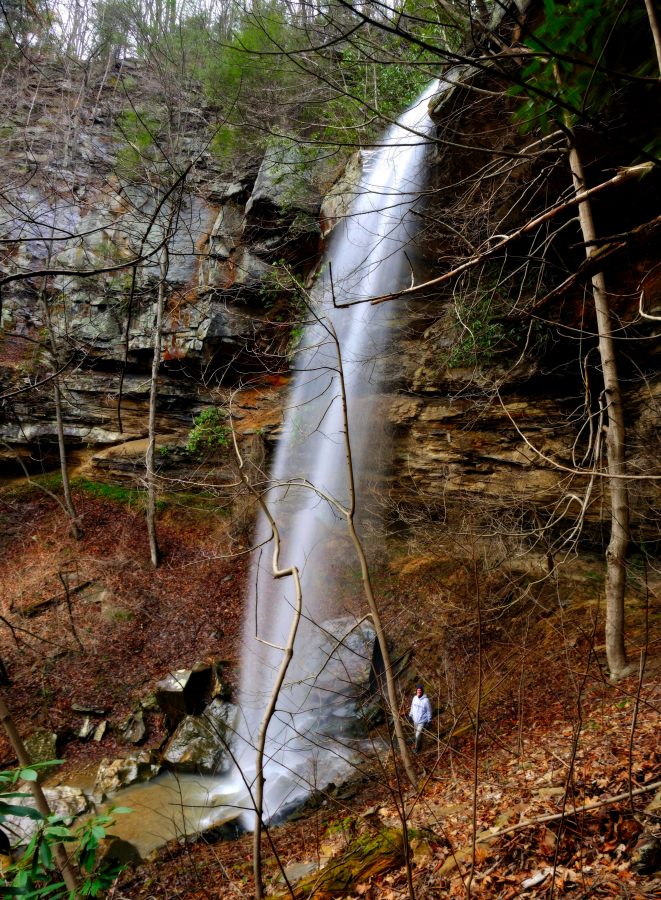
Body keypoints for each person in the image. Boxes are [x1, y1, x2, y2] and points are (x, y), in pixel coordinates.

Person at [409, 684, 432, 752]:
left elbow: (429, 711)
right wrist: (410, 715)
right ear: (416, 691)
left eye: (420, 690)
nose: (418, 692)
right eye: (417, 690)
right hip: (415, 720)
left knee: (418, 735)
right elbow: (412, 707)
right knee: (416, 734)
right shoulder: (414, 698)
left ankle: (417, 748)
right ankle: (420, 745)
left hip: (422, 721)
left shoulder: (426, 700)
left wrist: (429, 721)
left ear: (422, 691)